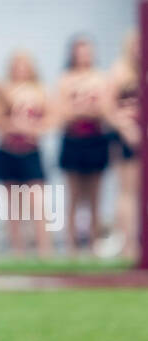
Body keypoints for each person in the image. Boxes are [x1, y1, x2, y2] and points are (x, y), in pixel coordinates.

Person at [0, 50, 52, 254]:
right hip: (9, 150)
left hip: (31, 150)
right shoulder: (5, 91)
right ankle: (18, 249)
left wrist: (34, 129)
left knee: (37, 202)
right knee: (13, 205)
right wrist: (13, 126)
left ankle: (44, 248)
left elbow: (52, 118)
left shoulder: (40, 90)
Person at [55, 36, 110, 256]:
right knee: (74, 196)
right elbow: (62, 113)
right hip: (73, 141)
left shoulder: (101, 78)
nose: (85, 56)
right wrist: (84, 110)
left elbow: (105, 110)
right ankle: (71, 245)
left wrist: (84, 110)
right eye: (81, 51)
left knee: (95, 196)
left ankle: (94, 243)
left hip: (95, 141)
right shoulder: (65, 79)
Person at [105, 29, 140, 260]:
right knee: (127, 191)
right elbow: (107, 108)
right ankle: (128, 244)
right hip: (126, 137)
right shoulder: (118, 71)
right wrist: (125, 127)